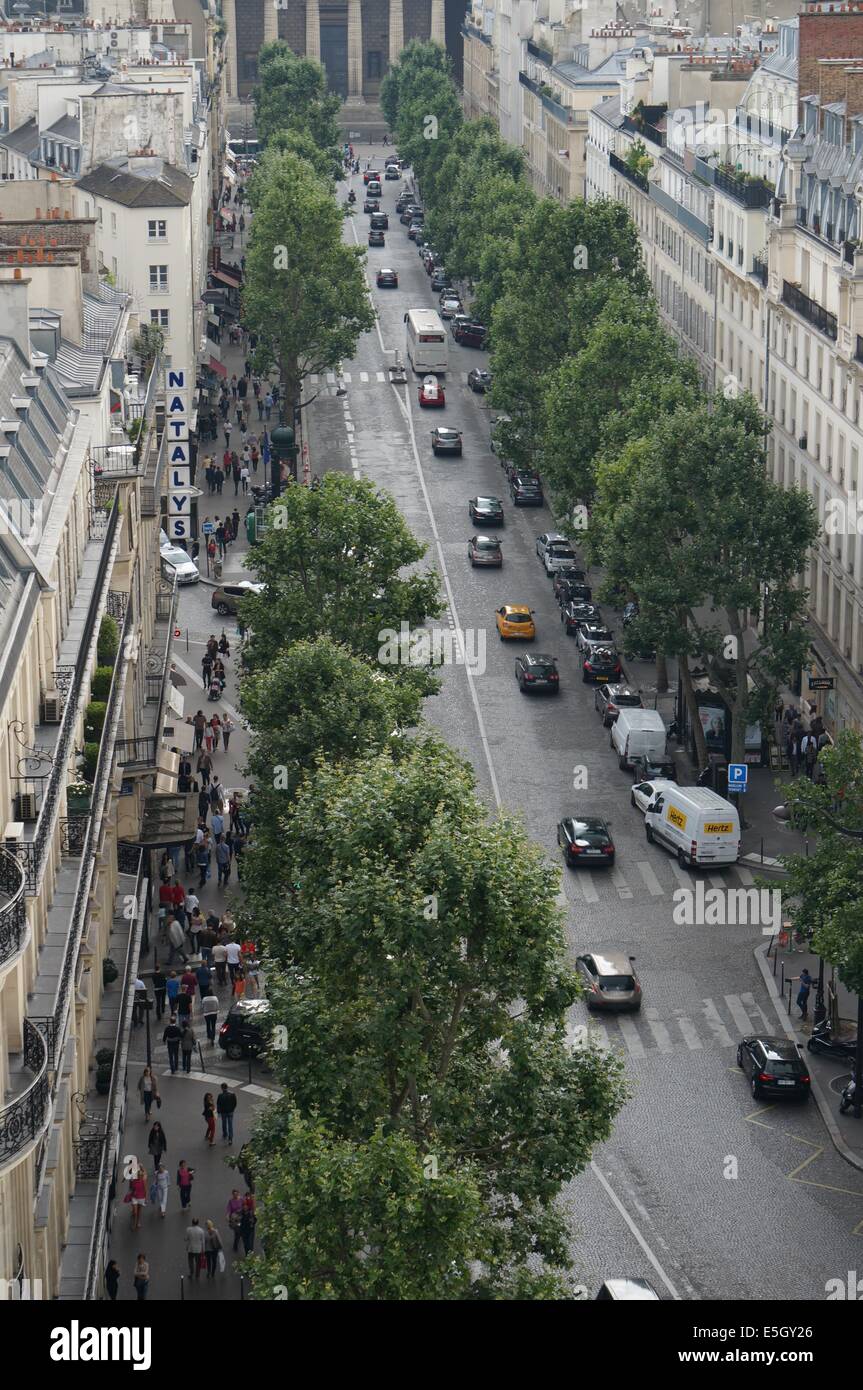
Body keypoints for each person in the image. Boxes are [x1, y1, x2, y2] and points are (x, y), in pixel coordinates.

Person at [127, 1166, 147, 1231]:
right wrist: (129, 1195)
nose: (139, 1176)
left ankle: (138, 1221)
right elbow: (131, 1188)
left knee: (139, 1211)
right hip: (134, 1197)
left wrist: (145, 1199)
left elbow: (145, 1190)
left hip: (141, 1197)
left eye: (140, 1175)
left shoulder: (143, 1181)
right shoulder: (133, 1181)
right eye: (138, 1175)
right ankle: (135, 1224)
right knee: (135, 1212)